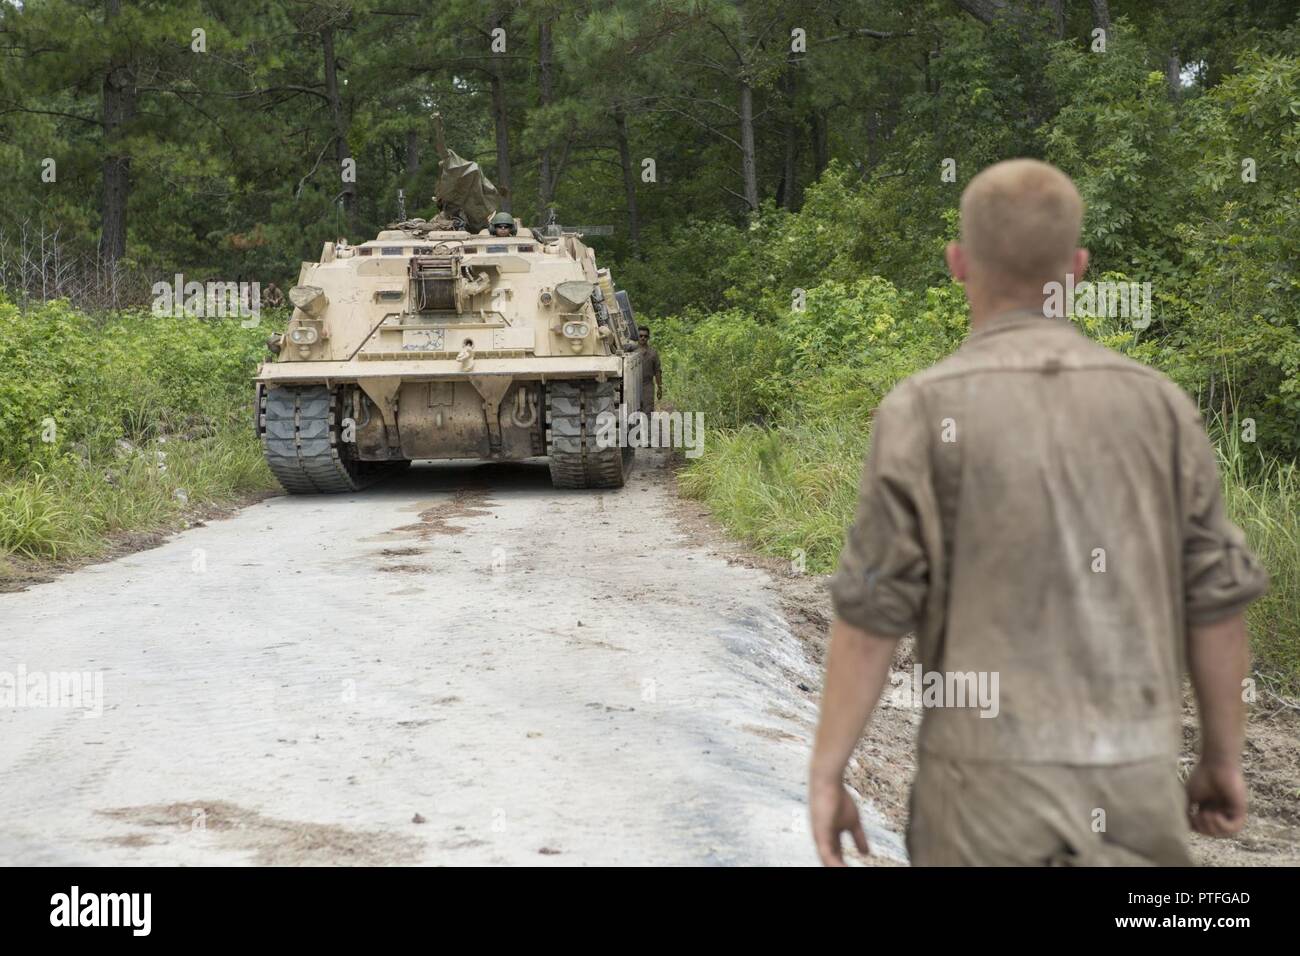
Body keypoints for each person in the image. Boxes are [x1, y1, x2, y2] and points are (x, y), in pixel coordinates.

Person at [808, 158, 1269, 867]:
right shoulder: (1159, 407)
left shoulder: (922, 411)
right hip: (1135, 776)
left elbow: (872, 610)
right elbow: (1216, 597)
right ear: (1077, 268)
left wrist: (828, 772)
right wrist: (1220, 757)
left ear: (958, 262)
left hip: (981, 789)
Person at [638, 327, 662, 416]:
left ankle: (647, 429)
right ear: (637, 337)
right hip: (633, 385)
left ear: (648, 338)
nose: (643, 338)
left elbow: (658, 371)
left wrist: (660, 388)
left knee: (648, 410)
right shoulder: (631, 351)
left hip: (647, 385)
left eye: (645, 336)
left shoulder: (653, 353)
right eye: (640, 336)